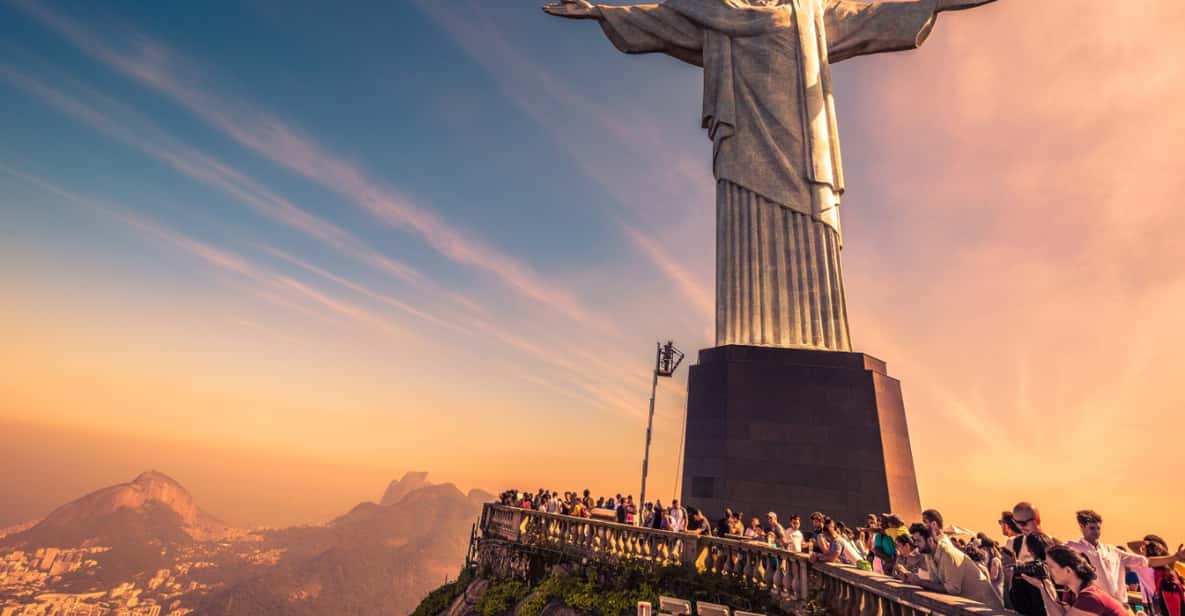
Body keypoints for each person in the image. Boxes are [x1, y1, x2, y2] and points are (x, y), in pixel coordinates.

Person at [1067, 510, 1185, 610]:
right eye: (1092, 528)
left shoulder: (1113, 551)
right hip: (1093, 606)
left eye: (1098, 528)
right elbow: (1051, 550)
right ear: (1082, 527)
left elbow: (1147, 562)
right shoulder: (1073, 548)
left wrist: (1175, 557)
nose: (1096, 532)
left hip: (1118, 606)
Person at [904, 523, 1004, 609]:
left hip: (985, 608)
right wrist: (910, 578)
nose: (916, 544)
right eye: (914, 541)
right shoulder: (929, 555)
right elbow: (935, 583)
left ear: (930, 540)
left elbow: (952, 590)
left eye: (918, 541)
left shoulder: (948, 554)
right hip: (969, 608)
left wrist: (919, 582)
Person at [1018, 544, 1127, 616]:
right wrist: (1044, 587)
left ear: (1068, 571)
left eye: (1051, 567)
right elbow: (1059, 613)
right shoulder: (1071, 592)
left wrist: (1045, 588)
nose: (1048, 570)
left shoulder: (1090, 597)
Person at [1011, 502, 1051, 616]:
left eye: (1023, 523)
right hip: (1023, 607)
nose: (1020, 527)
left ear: (1037, 520)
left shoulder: (1054, 545)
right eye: (1016, 523)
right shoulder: (1014, 543)